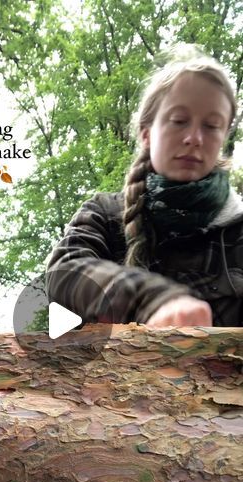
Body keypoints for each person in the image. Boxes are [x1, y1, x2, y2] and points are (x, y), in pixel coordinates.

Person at [46, 45, 243, 327]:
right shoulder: (104, 212)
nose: (194, 138)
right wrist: (152, 300)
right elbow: (63, 272)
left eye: (212, 126)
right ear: (147, 134)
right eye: (179, 121)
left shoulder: (238, 231)